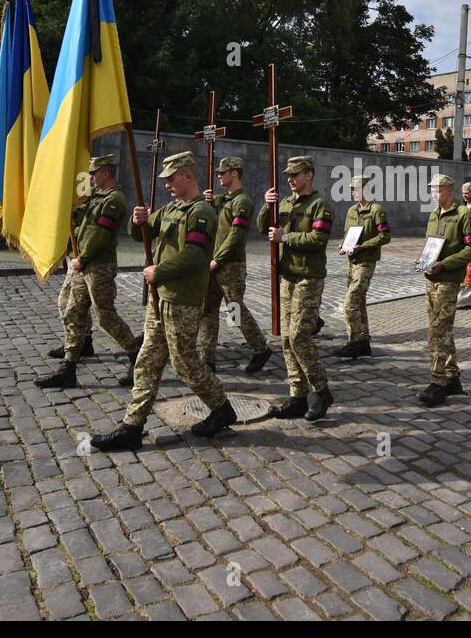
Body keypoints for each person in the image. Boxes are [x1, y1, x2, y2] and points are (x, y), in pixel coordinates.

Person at [90, 152, 235, 450]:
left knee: (184, 363)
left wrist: (160, 271)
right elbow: (140, 233)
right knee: (146, 361)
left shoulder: (201, 212)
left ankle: (222, 408)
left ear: (188, 176)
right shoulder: (171, 209)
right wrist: (137, 220)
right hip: (160, 300)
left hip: (183, 298)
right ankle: (132, 427)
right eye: (165, 179)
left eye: (171, 178)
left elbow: (195, 255)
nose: (167, 184)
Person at [38, 154, 142, 390]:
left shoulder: (114, 200)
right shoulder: (97, 196)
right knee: (72, 312)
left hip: (98, 266)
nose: (91, 177)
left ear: (106, 173)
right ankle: (69, 367)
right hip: (82, 264)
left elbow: (101, 234)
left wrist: (81, 258)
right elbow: (82, 220)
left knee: (105, 316)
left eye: (94, 173)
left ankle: (136, 356)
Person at [260, 155, 335, 421]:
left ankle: (322, 390)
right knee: (285, 339)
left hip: (308, 278)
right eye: (288, 175)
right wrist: (266, 207)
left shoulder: (320, 206)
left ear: (309, 174)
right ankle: (298, 396)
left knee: (299, 337)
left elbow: (318, 239)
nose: (290, 179)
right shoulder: (286, 203)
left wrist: (287, 236)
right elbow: (263, 229)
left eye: (296, 174)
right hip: (287, 277)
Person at [198, 156, 272, 375]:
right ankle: (207, 359)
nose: (219, 175)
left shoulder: (243, 202)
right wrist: (208, 199)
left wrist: (217, 260)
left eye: (223, 172)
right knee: (208, 311)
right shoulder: (225, 199)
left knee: (235, 310)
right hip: (213, 263)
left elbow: (236, 236)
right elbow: (214, 204)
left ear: (235, 174)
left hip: (230, 265)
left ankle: (260, 348)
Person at [418, 175, 471, 407]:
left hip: (448, 280)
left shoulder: (465, 215)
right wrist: (423, 261)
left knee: (437, 331)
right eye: (433, 191)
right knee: (443, 330)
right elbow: (430, 244)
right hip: (431, 279)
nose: (435, 195)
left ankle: (438, 383)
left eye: (438, 191)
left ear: (449, 190)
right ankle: (452, 377)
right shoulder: (434, 214)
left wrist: (445, 264)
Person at [334, 175, 391, 358]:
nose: (352, 192)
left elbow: (385, 236)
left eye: (356, 189)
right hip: (351, 262)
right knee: (359, 302)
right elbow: (348, 234)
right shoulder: (351, 210)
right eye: (351, 189)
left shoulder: (376, 210)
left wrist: (363, 246)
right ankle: (364, 342)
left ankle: (355, 342)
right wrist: (343, 245)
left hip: (366, 261)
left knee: (350, 303)